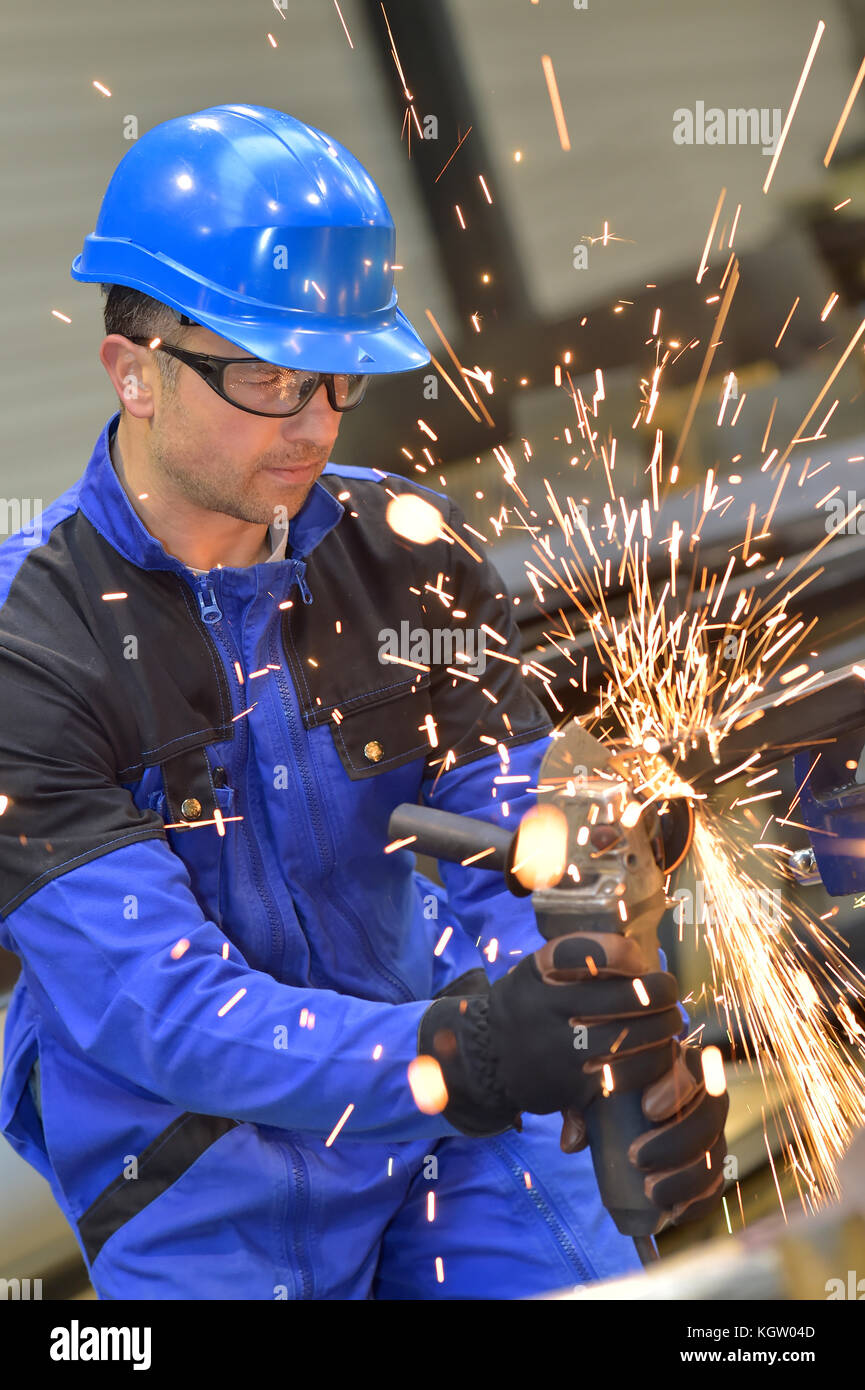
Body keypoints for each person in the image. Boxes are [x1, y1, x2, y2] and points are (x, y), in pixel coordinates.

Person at [0, 104, 727, 1300]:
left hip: (454, 1130)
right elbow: (157, 1005)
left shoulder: (401, 547)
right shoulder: (35, 647)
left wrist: (586, 1003)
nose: (316, 423)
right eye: (266, 377)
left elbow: (510, 826)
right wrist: (457, 1053)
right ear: (131, 370)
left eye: (338, 377)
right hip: (206, 1177)